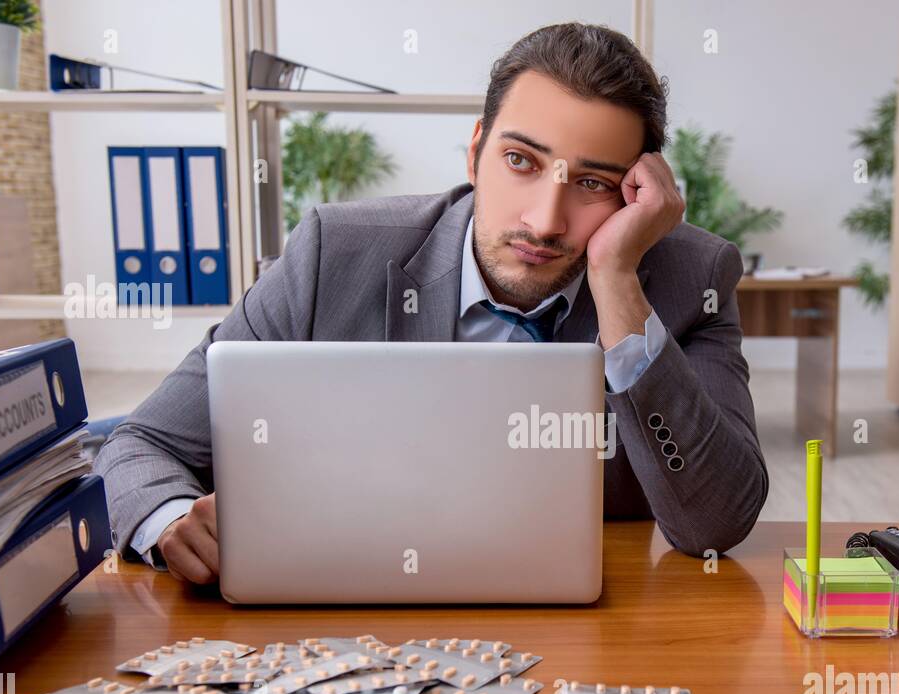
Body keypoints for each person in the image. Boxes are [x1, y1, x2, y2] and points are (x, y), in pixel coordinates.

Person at [95, 21, 769, 585]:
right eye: (522, 162)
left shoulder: (688, 279)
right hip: (354, 615)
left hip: (586, 640)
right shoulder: (335, 254)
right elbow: (141, 444)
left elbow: (714, 524)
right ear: (475, 152)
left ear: (633, 195)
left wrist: (618, 282)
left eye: (591, 181)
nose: (544, 220)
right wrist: (171, 522)